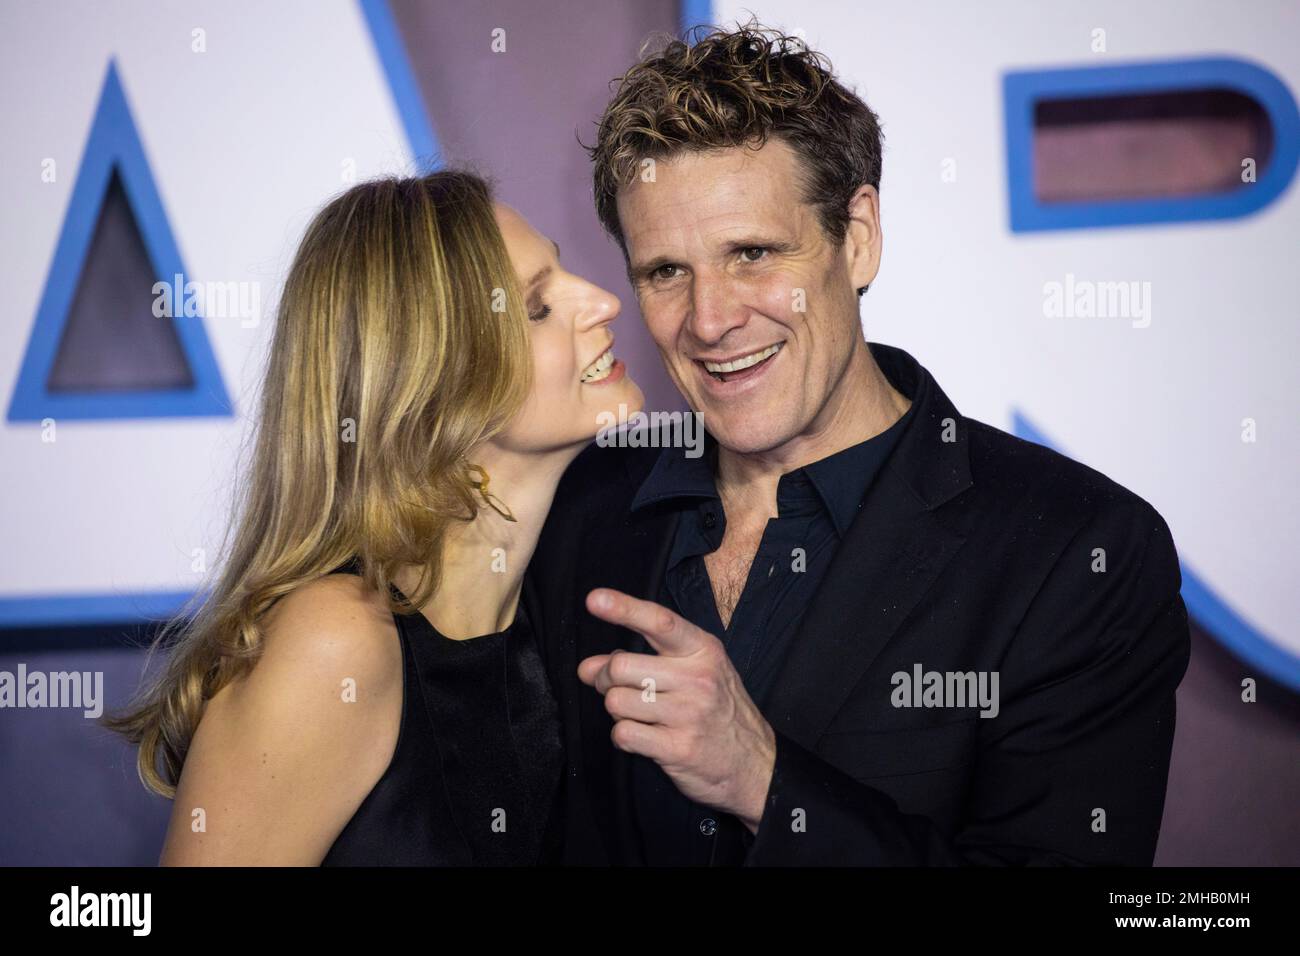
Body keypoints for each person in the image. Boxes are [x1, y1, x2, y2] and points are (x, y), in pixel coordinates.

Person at [526, 25, 1191, 865]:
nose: (710, 320)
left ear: (859, 237)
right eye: (666, 272)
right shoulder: (581, 505)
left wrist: (761, 779)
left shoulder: (1077, 551)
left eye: (753, 254)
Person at [105, 170, 643, 865]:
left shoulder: (569, 600)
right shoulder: (336, 641)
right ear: (435, 384)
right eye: (537, 307)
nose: (605, 300)